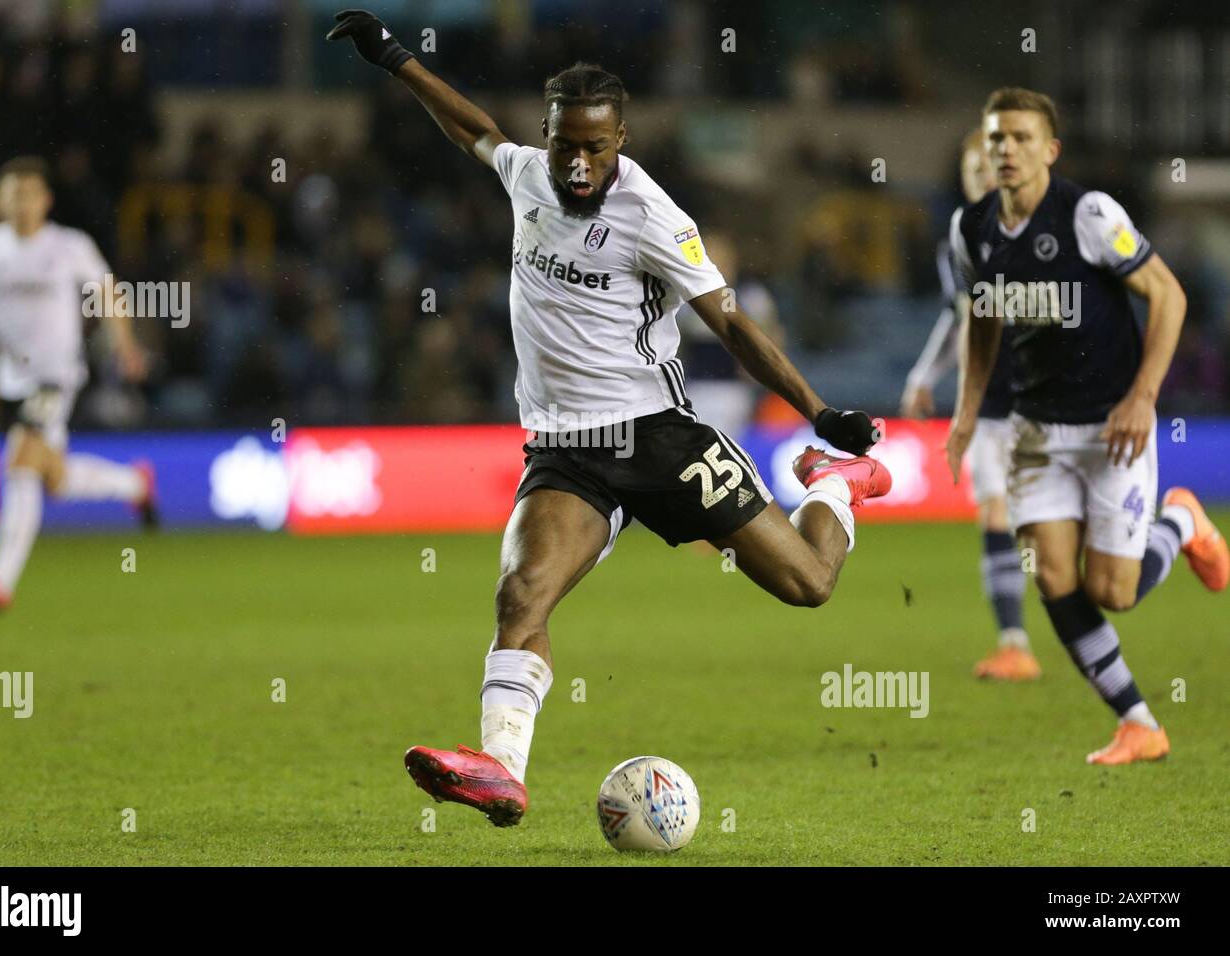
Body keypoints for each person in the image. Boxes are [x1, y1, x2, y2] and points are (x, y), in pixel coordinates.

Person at [328, 10, 891, 826]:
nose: (580, 163)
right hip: (566, 451)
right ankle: (501, 770)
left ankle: (836, 489)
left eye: (597, 146)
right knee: (522, 595)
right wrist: (394, 60)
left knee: (809, 585)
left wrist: (820, 412)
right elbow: (471, 127)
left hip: (660, 437)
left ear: (620, 137)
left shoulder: (654, 217)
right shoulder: (526, 175)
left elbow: (730, 321)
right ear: (548, 135)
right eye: (566, 144)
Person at [946, 88, 1228, 765]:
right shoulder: (969, 231)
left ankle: (1182, 523)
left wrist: (1144, 397)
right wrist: (965, 411)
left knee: (1113, 593)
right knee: (1052, 578)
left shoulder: (1089, 215)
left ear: (1050, 149)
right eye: (995, 139)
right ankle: (1139, 722)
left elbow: (1168, 292)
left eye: (1019, 137)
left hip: (1112, 429)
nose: (1005, 150)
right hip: (1037, 434)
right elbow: (982, 319)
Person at [0, 157, 157, 611]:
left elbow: (109, 293)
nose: (21, 203)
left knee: (19, 464)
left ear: (45, 200)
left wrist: (126, 346)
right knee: (51, 478)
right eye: (12, 194)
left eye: (29, 194)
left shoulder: (70, 246)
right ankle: (134, 483)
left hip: (56, 376)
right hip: (9, 380)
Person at [901, 128, 1037, 680]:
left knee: (1058, 532)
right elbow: (960, 316)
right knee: (995, 512)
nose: (982, 180)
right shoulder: (957, 242)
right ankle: (1014, 642)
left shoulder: (1039, 235)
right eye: (972, 173)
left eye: (990, 170)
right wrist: (924, 374)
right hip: (986, 403)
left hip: (1045, 400)